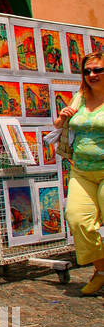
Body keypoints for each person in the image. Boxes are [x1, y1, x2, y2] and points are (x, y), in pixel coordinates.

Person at [55, 50, 104, 295]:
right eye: (87, 71)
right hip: (82, 171)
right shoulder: (80, 97)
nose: (91, 75)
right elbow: (59, 125)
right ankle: (101, 270)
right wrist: (61, 117)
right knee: (76, 218)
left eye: (97, 70)